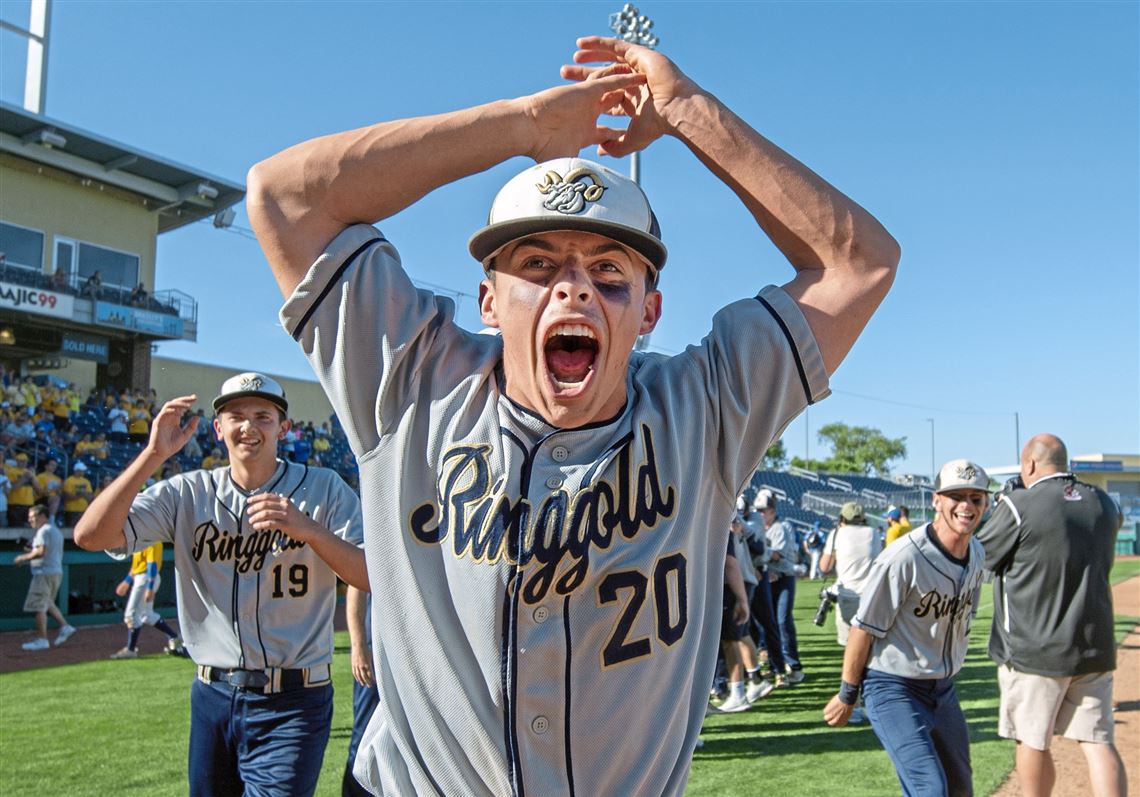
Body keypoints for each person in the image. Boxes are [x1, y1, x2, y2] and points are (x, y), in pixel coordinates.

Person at [248, 34, 898, 795]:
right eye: (537, 264)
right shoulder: (410, 382)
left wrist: (689, 112)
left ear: (649, 310)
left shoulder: (707, 406)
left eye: (609, 272)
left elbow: (858, 261)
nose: (575, 288)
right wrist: (523, 125)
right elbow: (281, 195)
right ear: (488, 301)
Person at [74, 372, 368, 797]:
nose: (249, 426)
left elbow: (370, 576)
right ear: (218, 428)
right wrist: (153, 455)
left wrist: (309, 531)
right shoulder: (187, 493)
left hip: (294, 698)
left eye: (263, 416)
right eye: (236, 416)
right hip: (212, 696)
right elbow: (90, 536)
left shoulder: (324, 488)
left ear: (284, 428)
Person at [824, 460, 990, 797]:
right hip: (892, 687)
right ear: (936, 500)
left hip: (943, 689)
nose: (967, 506)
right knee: (929, 788)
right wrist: (847, 694)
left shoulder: (977, 553)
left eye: (976, 498)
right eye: (956, 496)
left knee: (959, 789)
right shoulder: (903, 558)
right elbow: (863, 628)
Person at [976, 434, 1127, 797]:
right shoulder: (1103, 502)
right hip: (1094, 645)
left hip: (1034, 649)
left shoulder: (1020, 504)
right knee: (1098, 742)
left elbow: (981, 557)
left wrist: (1004, 503)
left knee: (1032, 740)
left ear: (1028, 464)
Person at [818, 501, 882, 723]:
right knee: (871, 655)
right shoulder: (873, 533)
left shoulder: (837, 534)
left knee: (850, 654)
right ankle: (873, 702)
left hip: (847, 597)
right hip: (871, 598)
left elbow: (824, 567)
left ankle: (851, 704)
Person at [757, 489, 806, 682]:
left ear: (772, 510)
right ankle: (773, 662)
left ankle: (794, 665)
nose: (761, 513)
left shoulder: (781, 527)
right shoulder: (759, 526)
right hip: (767, 579)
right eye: (759, 510)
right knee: (768, 624)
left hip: (783, 578)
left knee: (783, 621)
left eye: (764, 510)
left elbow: (776, 555)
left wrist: (757, 550)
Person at [109, 541, 187, 659]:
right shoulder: (140, 541)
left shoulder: (152, 540)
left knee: (131, 615)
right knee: (146, 615)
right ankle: (174, 637)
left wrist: (150, 587)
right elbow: (137, 566)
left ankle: (130, 650)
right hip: (141, 577)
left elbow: (152, 565)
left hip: (147, 578)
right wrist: (127, 581)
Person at [14, 504, 76, 650]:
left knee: (39, 607)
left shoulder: (44, 531)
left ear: (43, 516)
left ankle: (42, 639)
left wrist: (22, 558)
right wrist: (31, 550)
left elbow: (41, 552)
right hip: (54, 572)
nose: (30, 520)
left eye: (32, 517)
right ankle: (65, 626)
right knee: (47, 603)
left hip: (44, 573)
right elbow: (42, 551)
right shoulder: (54, 530)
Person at [343, 585, 380, 797]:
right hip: (375, 647)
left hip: (412, 648)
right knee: (365, 736)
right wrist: (358, 647)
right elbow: (356, 585)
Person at [61, 460, 94, 527]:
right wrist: (82, 495)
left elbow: (90, 495)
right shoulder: (69, 481)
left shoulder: (86, 481)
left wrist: (84, 495)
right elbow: (67, 496)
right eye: (81, 470)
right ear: (76, 470)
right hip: (72, 510)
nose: (83, 472)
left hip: (83, 510)